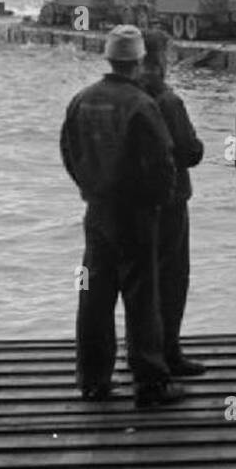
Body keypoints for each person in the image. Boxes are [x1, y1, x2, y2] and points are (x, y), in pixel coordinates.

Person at [60, 25, 183, 408]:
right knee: (142, 299)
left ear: (110, 58)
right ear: (139, 60)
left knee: (94, 298)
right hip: (136, 215)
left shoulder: (82, 100)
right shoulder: (141, 104)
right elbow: (162, 164)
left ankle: (93, 380)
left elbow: (68, 151)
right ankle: (150, 384)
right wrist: (157, 202)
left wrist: (88, 188)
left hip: (96, 214)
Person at [139, 30, 207, 377]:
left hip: (131, 206)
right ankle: (169, 352)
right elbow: (190, 151)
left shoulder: (127, 93)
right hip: (171, 201)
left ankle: (144, 353)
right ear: (159, 56)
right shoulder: (168, 100)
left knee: (141, 282)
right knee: (172, 278)